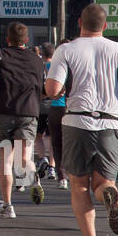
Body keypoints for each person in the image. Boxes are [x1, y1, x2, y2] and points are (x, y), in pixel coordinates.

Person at [43, 4, 118, 236]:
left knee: (79, 184)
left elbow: (52, 89)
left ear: (79, 22)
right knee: (103, 183)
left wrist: (60, 89)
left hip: (77, 121)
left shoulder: (66, 49)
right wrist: (114, 95)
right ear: (105, 26)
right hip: (111, 122)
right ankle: (111, 196)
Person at [0, 23, 47, 218]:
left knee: (6, 161)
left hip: (3, 111)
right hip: (28, 112)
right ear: (26, 40)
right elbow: (42, 85)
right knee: (24, 158)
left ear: (7, 38)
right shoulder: (36, 59)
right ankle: (33, 176)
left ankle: (8, 205)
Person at [37, 42, 68, 189]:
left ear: (42, 53)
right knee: (56, 140)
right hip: (62, 106)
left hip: (44, 106)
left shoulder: (41, 66)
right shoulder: (63, 67)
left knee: (41, 136)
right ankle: (53, 167)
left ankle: (43, 158)